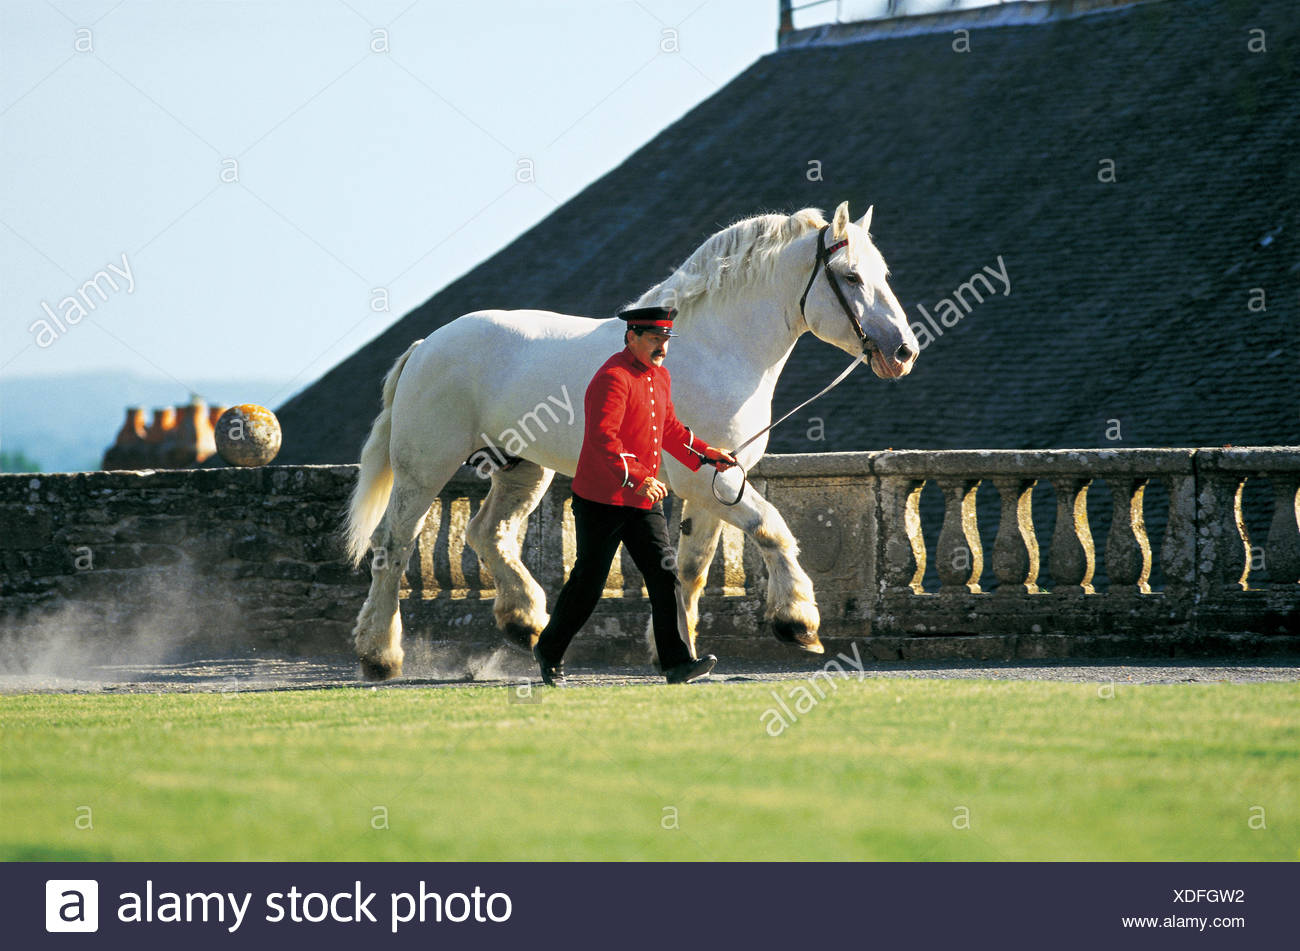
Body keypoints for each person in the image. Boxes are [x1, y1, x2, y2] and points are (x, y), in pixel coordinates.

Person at [533, 306, 738, 686]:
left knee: (665, 577)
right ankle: (550, 650)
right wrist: (640, 477)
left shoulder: (660, 377)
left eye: (666, 339)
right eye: (655, 339)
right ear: (631, 337)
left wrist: (710, 455)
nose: (663, 346)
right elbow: (602, 438)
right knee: (588, 585)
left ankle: (677, 663)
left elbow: (672, 429)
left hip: (643, 502)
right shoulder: (612, 377)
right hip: (602, 501)